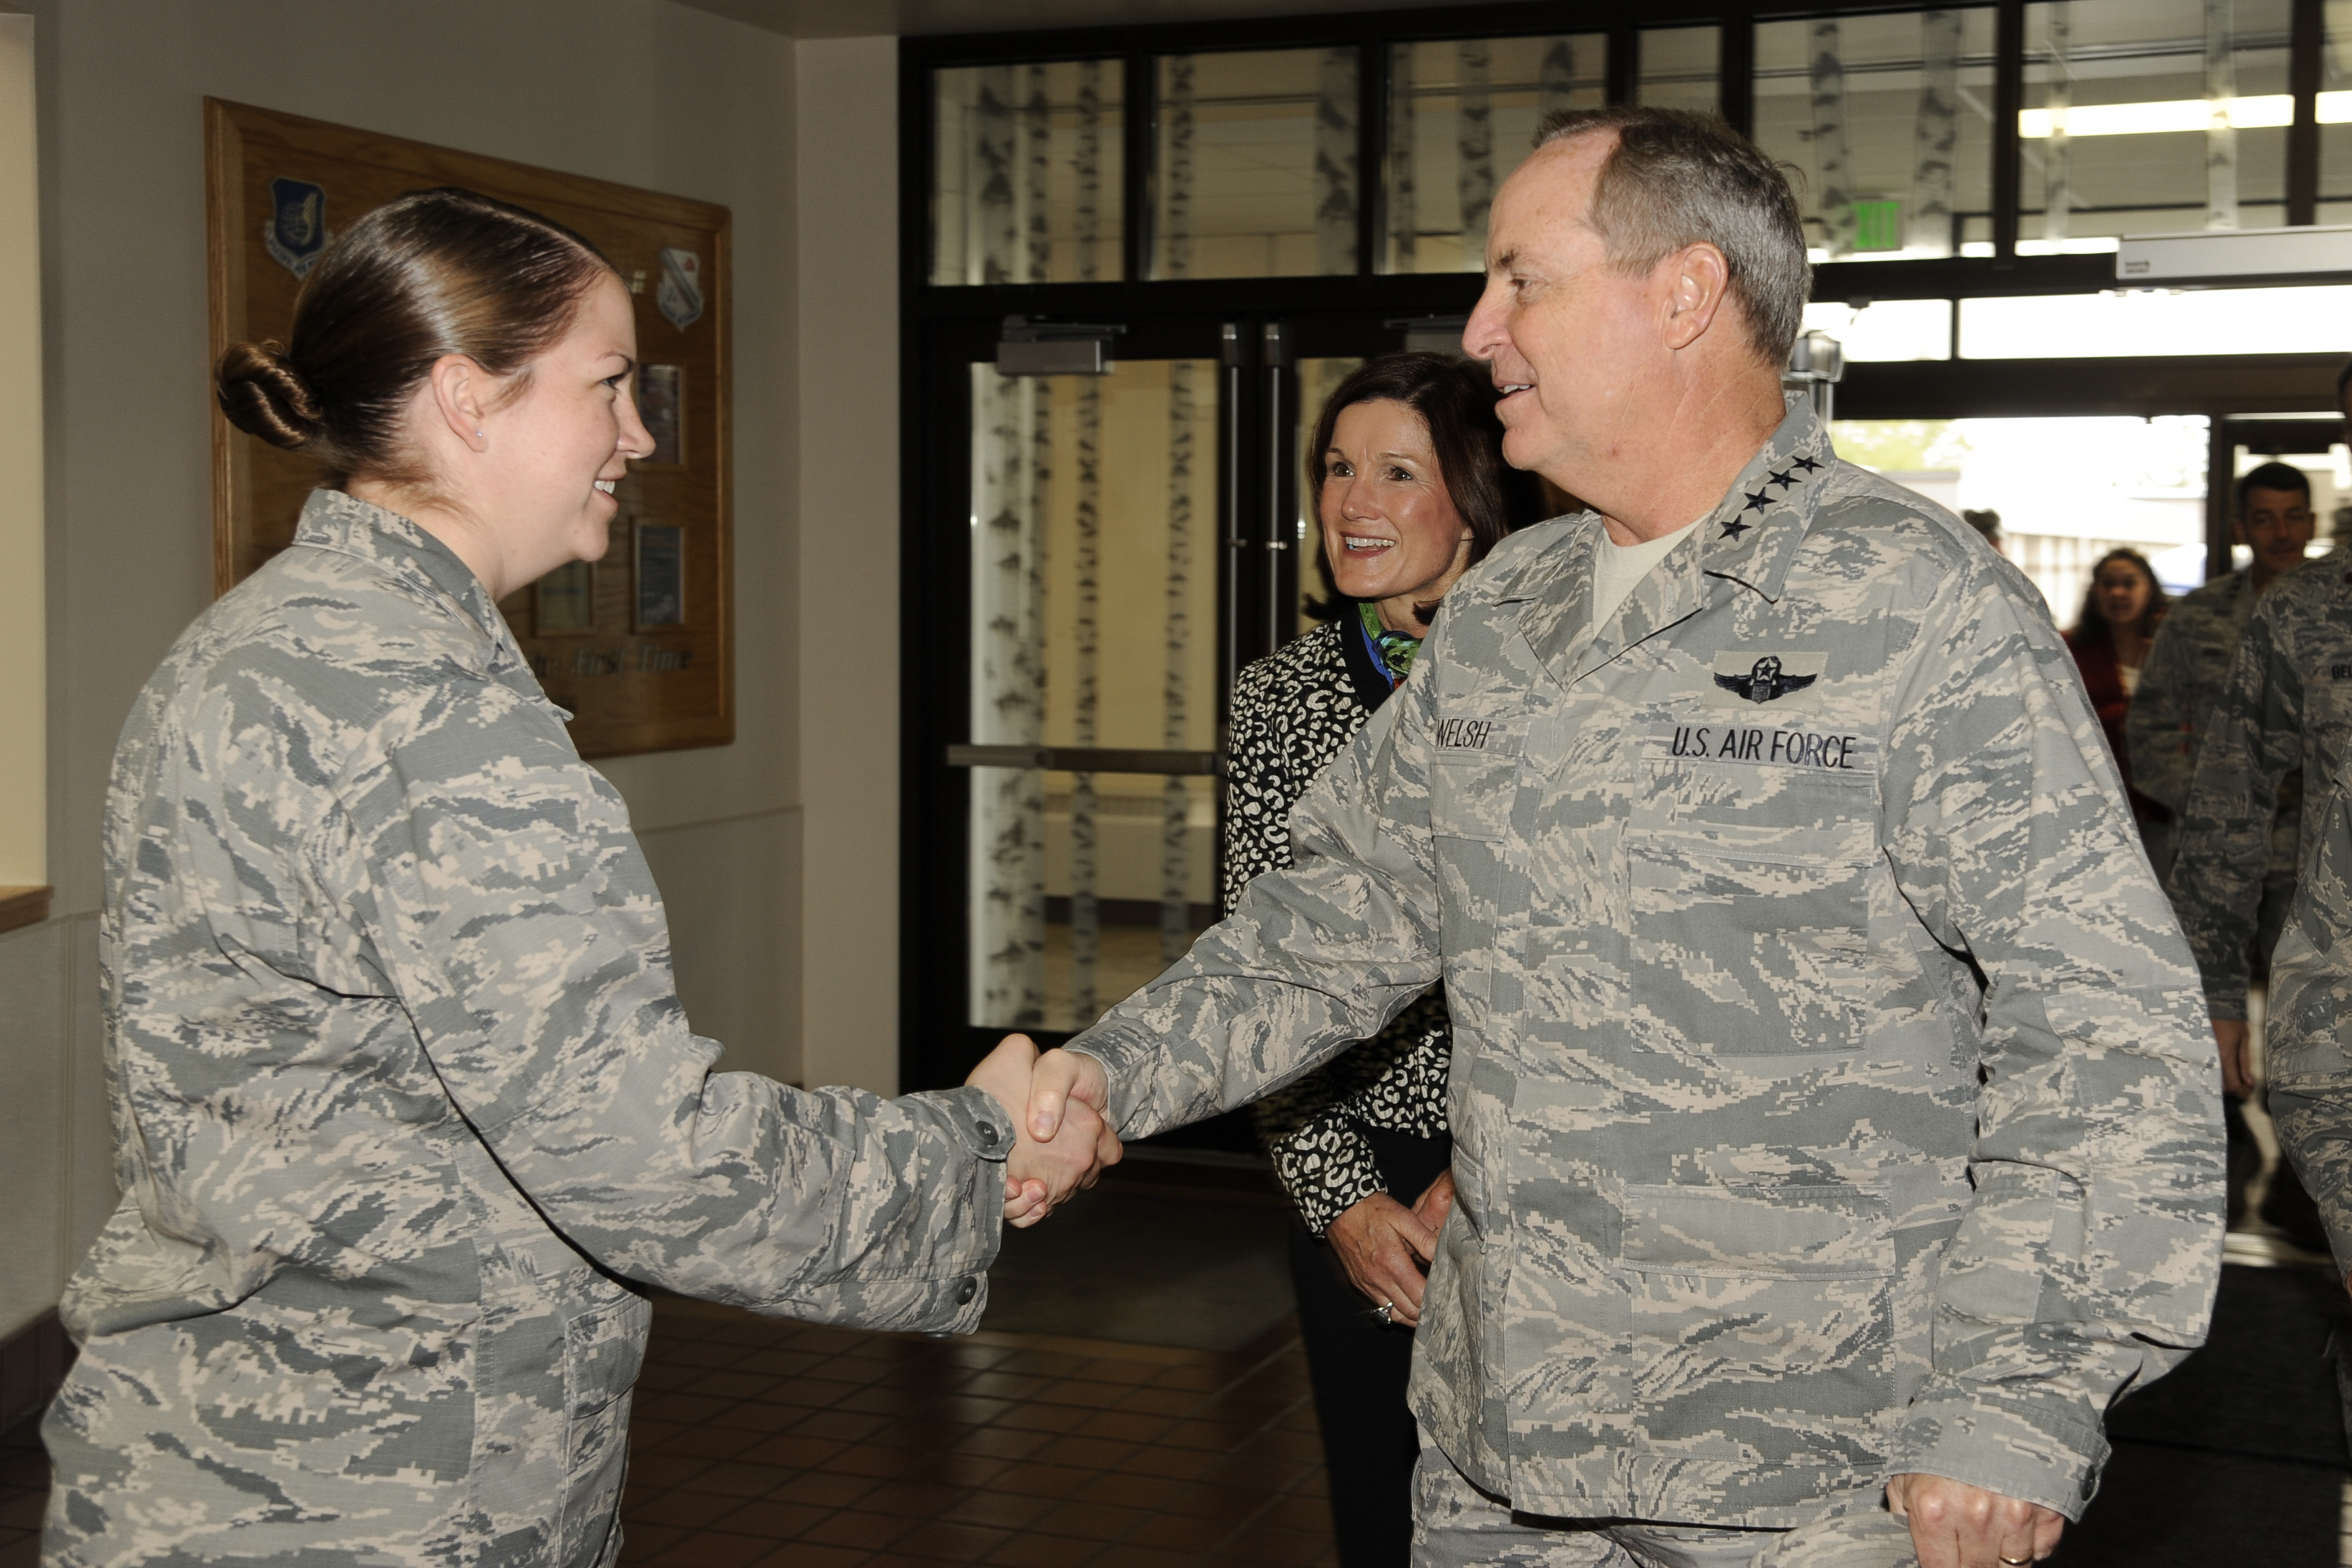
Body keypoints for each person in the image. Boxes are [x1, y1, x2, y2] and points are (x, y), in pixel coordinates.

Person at [1017, 107, 2221, 1568]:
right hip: (1500, 1461)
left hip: (1809, 1480)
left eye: (1521, 279)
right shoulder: (1507, 613)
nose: (1479, 333)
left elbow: (2102, 1029)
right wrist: (1105, 1080)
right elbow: (1322, 928)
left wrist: (2022, 1400)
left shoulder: (1914, 606)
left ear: (1682, 295)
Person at [41, 189, 1105, 1568]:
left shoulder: (252, 647)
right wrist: (969, 1149)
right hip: (385, 1495)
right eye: (609, 384)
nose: (639, 434)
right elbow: (646, 1160)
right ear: (466, 399)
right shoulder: (427, 708)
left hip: (219, 1466)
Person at [1229, 352, 1534, 1568]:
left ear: (1474, 491)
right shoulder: (1282, 696)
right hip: (1362, 1167)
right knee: (1383, 1508)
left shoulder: (1554, 678)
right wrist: (1342, 1204)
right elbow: (1266, 975)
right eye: (1338, 468)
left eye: (1397, 471)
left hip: (1538, 1149)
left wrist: (1497, 1163)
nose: (1352, 500)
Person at [2131, 463, 2318, 1235]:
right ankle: (2216, 1147)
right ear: (2241, 527)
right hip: (2215, 855)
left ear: (2312, 522)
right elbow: (2149, 730)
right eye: (2265, 518)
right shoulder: (2201, 616)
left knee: (2311, 1017)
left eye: (2294, 517)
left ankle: (2306, 1171)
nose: (2281, 532)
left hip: (2318, 852)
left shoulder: (2337, 607)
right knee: (2200, 1008)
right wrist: (2209, 808)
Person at [2062, 548, 2168, 848]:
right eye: (2108, 584)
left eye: (2129, 583)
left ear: (2150, 588)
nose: (2118, 593)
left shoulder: (2171, 645)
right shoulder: (2070, 648)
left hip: (2163, 804)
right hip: (2095, 804)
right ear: (2095, 592)